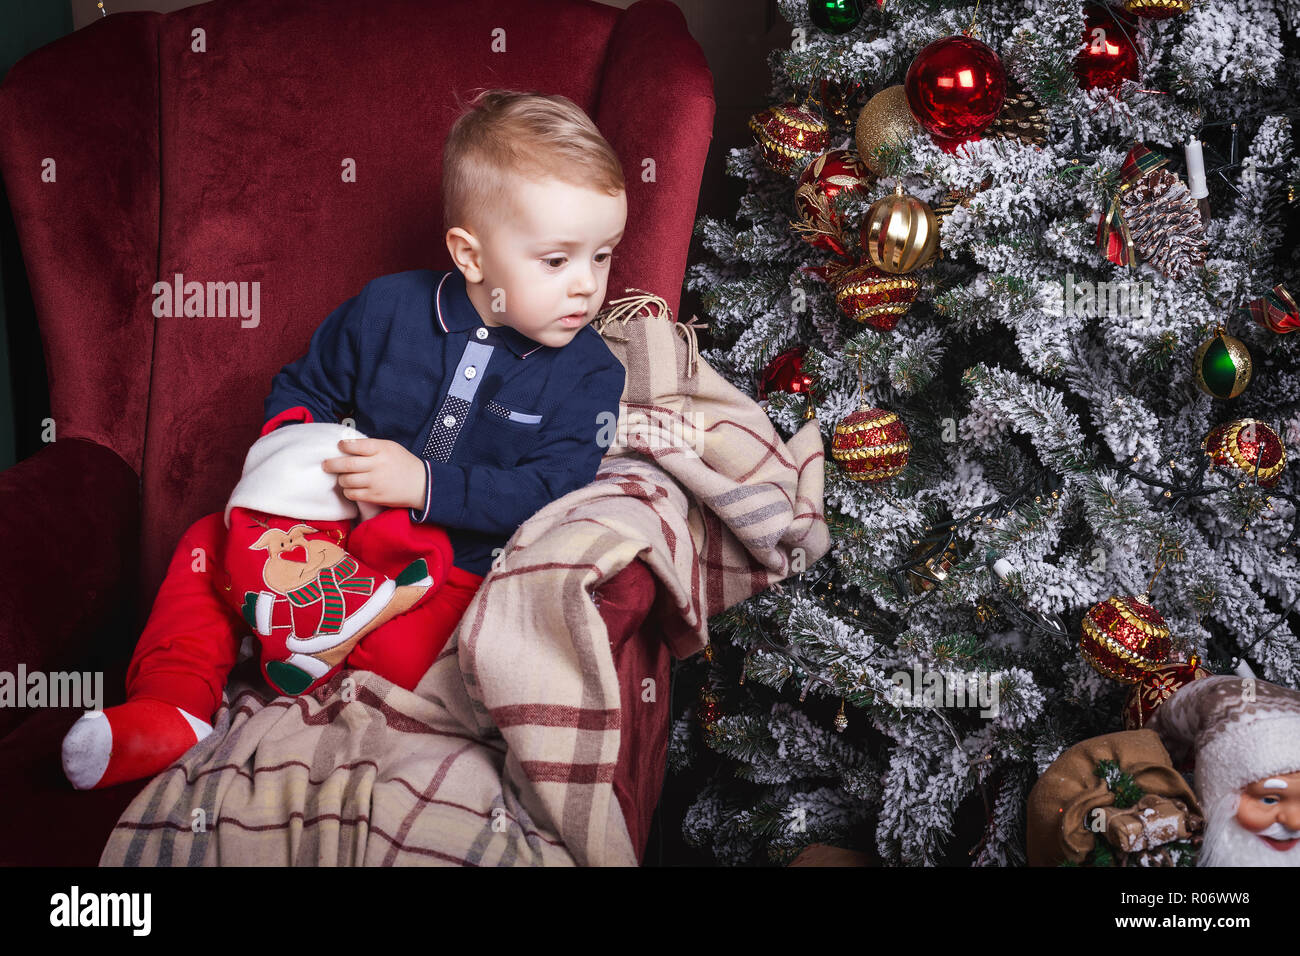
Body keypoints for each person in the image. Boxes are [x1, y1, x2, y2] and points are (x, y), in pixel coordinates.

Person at [61, 89, 628, 790]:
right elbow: (304, 389)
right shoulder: (386, 309)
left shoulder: (590, 374)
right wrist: (296, 477)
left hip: (444, 575)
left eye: (602, 256)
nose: (587, 287)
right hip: (325, 538)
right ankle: (172, 705)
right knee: (205, 548)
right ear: (471, 256)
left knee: (412, 659)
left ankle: (305, 667)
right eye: (557, 261)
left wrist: (425, 485)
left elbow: (554, 491)